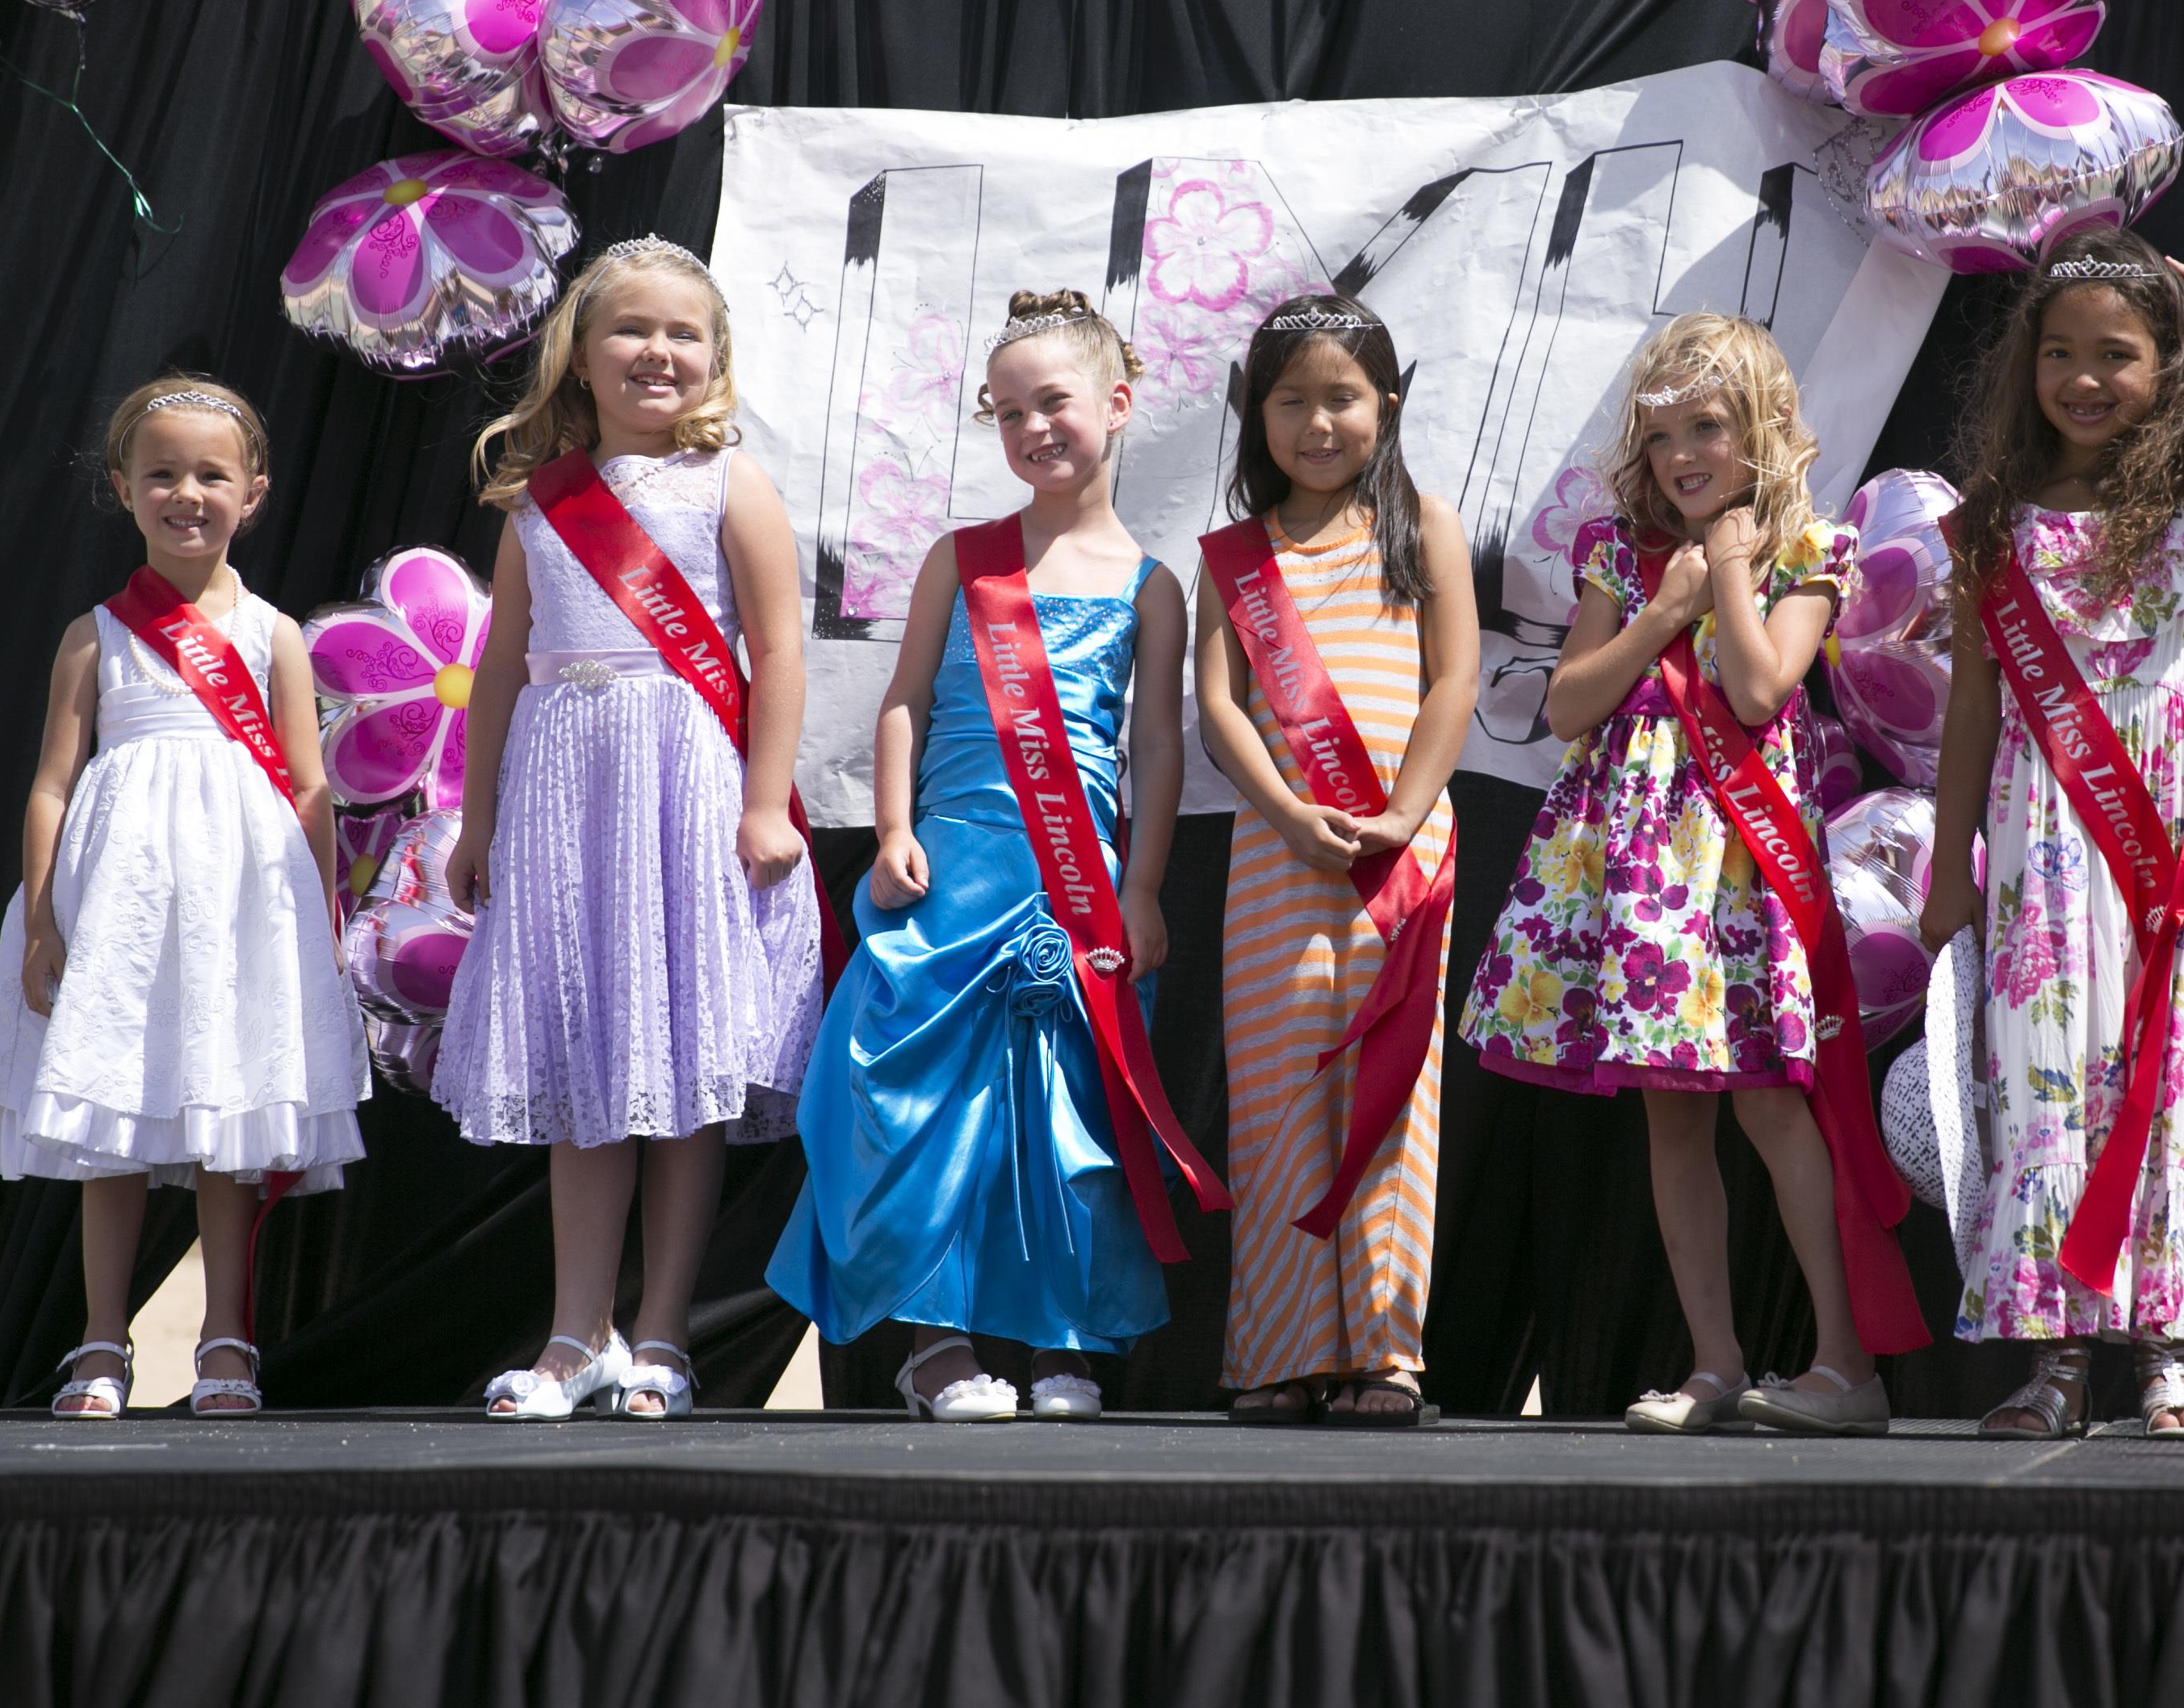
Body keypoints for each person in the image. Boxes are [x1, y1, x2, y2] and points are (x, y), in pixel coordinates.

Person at [1461, 312, 1915, 1437]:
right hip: (1631, 863)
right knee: (1671, 1120)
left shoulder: (1806, 550)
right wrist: (1662, 606)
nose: (1681, 456)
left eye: (1705, 427)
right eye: (1661, 436)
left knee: (1769, 1104)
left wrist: (1724, 576)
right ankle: (1714, 1363)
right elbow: (1567, 706)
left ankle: (1844, 1365)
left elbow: (1762, 694)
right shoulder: (1620, 553)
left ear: (1756, 428)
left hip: (1735, 864)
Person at [768, 288, 1217, 1421]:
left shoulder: (1151, 586)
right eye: (1007, 413)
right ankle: (937, 1348)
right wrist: (895, 828)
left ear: (1118, 405)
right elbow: (905, 701)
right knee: (923, 1108)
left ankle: (1066, 1342)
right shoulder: (960, 558)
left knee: (1069, 1118)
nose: (1032, 430)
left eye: (1053, 403)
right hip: (952, 876)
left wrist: (1147, 886)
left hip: (1078, 891)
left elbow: (1157, 745)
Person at [1917, 228, 2184, 1441]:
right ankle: (2054, 1364)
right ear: (2024, 367)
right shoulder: (1991, 519)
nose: (2085, 379)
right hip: (2039, 834)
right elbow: (1977, 705)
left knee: (2164, 1069)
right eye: (2059, 352)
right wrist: (1949, 870)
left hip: (2154, 827)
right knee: (2046, 1082)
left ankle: (2166, 1359)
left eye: (2118, 354)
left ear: (2167, 364)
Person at [438, 237, 823, 1420]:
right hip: (567, 791)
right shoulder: (540, 503)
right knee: (584, 1061)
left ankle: (661, 1337)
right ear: (581, 353)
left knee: (680, 1059)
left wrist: (766, 800)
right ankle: (573, 1334)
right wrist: (480, 814)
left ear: (714, 358)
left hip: (688, 782)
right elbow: (501, 666)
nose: (657, 353)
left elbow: (778, 652)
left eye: (682, 334)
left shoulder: (730, 483)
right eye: (631, 331)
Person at [0, 377, 369, 1418]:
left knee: (228, 1114)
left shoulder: (278, 635)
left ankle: (227, 1344)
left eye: (211, 475)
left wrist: (319, 923)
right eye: (162, 475)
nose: (187, 494)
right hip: (123, 903)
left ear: (255, 491)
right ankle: (102, 1343)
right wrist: (45, 922)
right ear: (123, 487)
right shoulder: (93, 634)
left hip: (241, 898)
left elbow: (309, 786)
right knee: (114, 1121)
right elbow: (53, 782)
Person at [1194, 295, 1473, 1428]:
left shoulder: (1422, 523)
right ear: (1256, 414)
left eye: (1342, 399)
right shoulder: (1236, 556)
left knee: (1393, 1097)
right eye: (1291, 400)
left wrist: (1403, 815)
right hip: (1276, 858)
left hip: (1399, 862)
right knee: (1276, 1098)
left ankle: (1384, 1352)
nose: (1318, 423)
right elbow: (1218, 704)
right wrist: (1287, 809)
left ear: (1387, 405)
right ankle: (1283, 1347)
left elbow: (1453, 682)